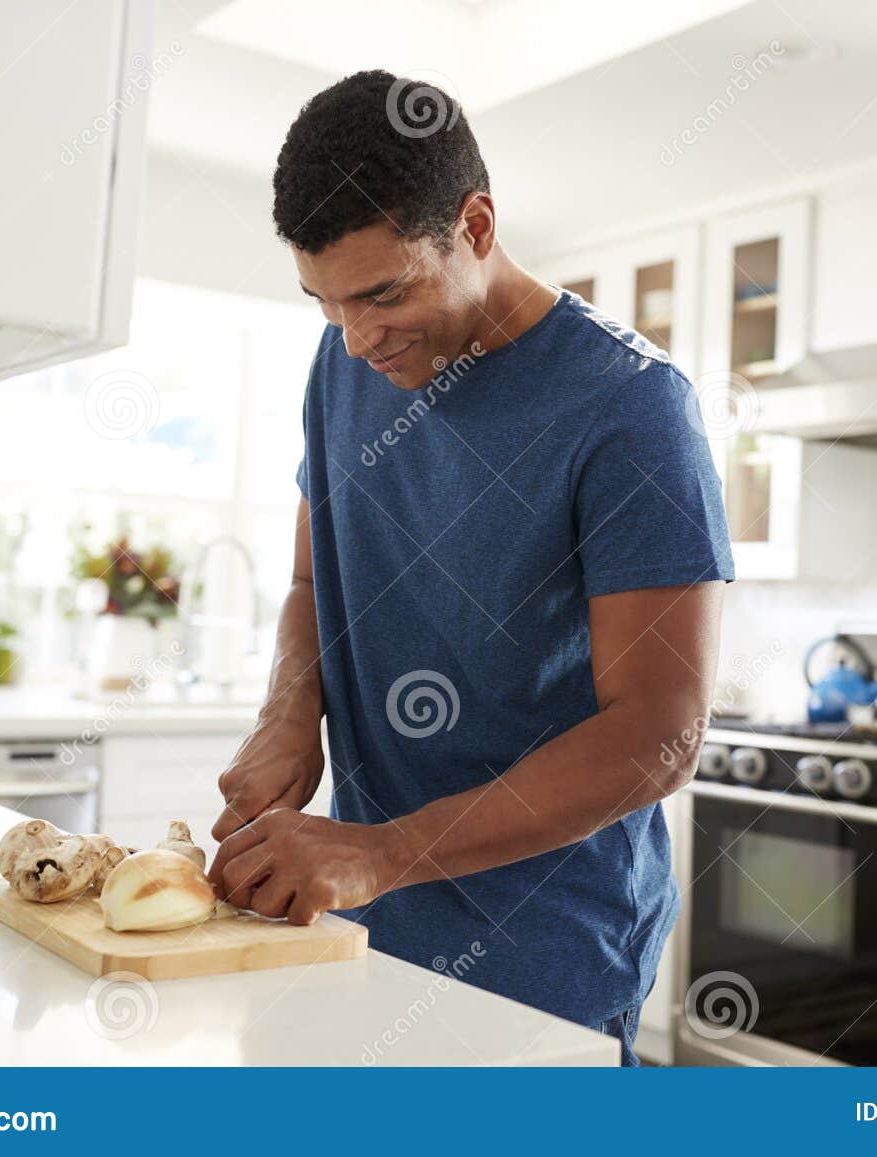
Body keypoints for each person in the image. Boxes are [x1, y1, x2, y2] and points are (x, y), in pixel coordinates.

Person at [208, 70, 733, 1066]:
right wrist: (289, 711)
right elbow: (315, 580)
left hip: (543, 953)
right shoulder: (346, 364)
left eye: (384, 293)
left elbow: (661, 733)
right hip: (363, 925)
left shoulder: (631, 406)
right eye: (324, 305)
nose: (359, 337)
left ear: (477, 224)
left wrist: (382, 849)